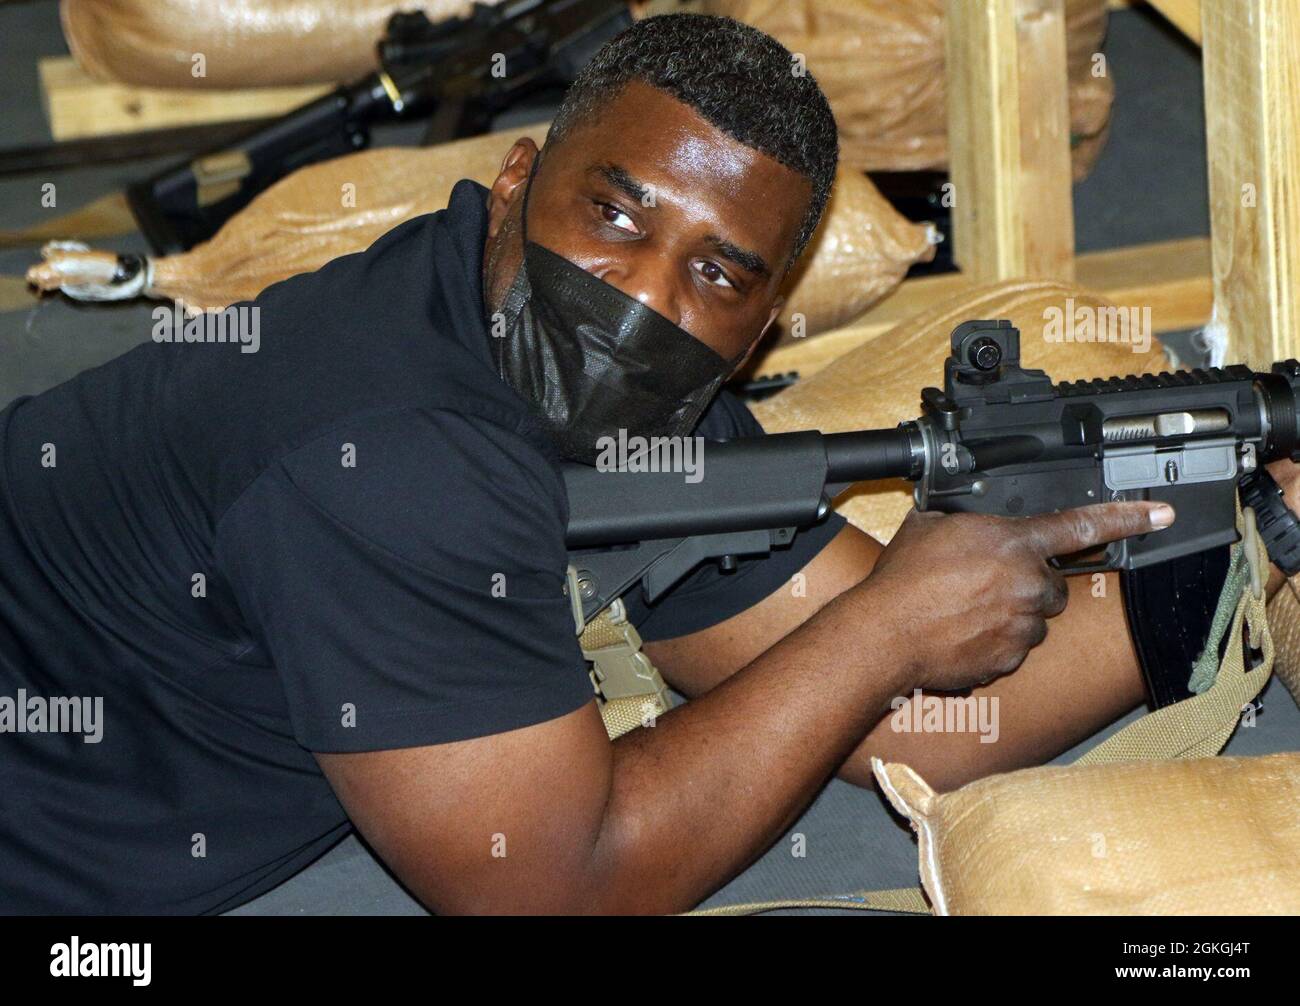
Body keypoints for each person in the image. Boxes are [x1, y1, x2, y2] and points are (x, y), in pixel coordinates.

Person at [0, 13, 1292, 914]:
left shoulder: (610, 378)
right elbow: (554, 882)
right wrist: (887, 626)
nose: (643, 293)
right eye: (615, 212)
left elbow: (925, 723)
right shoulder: (386, 458)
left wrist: (1245, 526)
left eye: (718, 270)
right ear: (517, 180)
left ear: (767, 315)